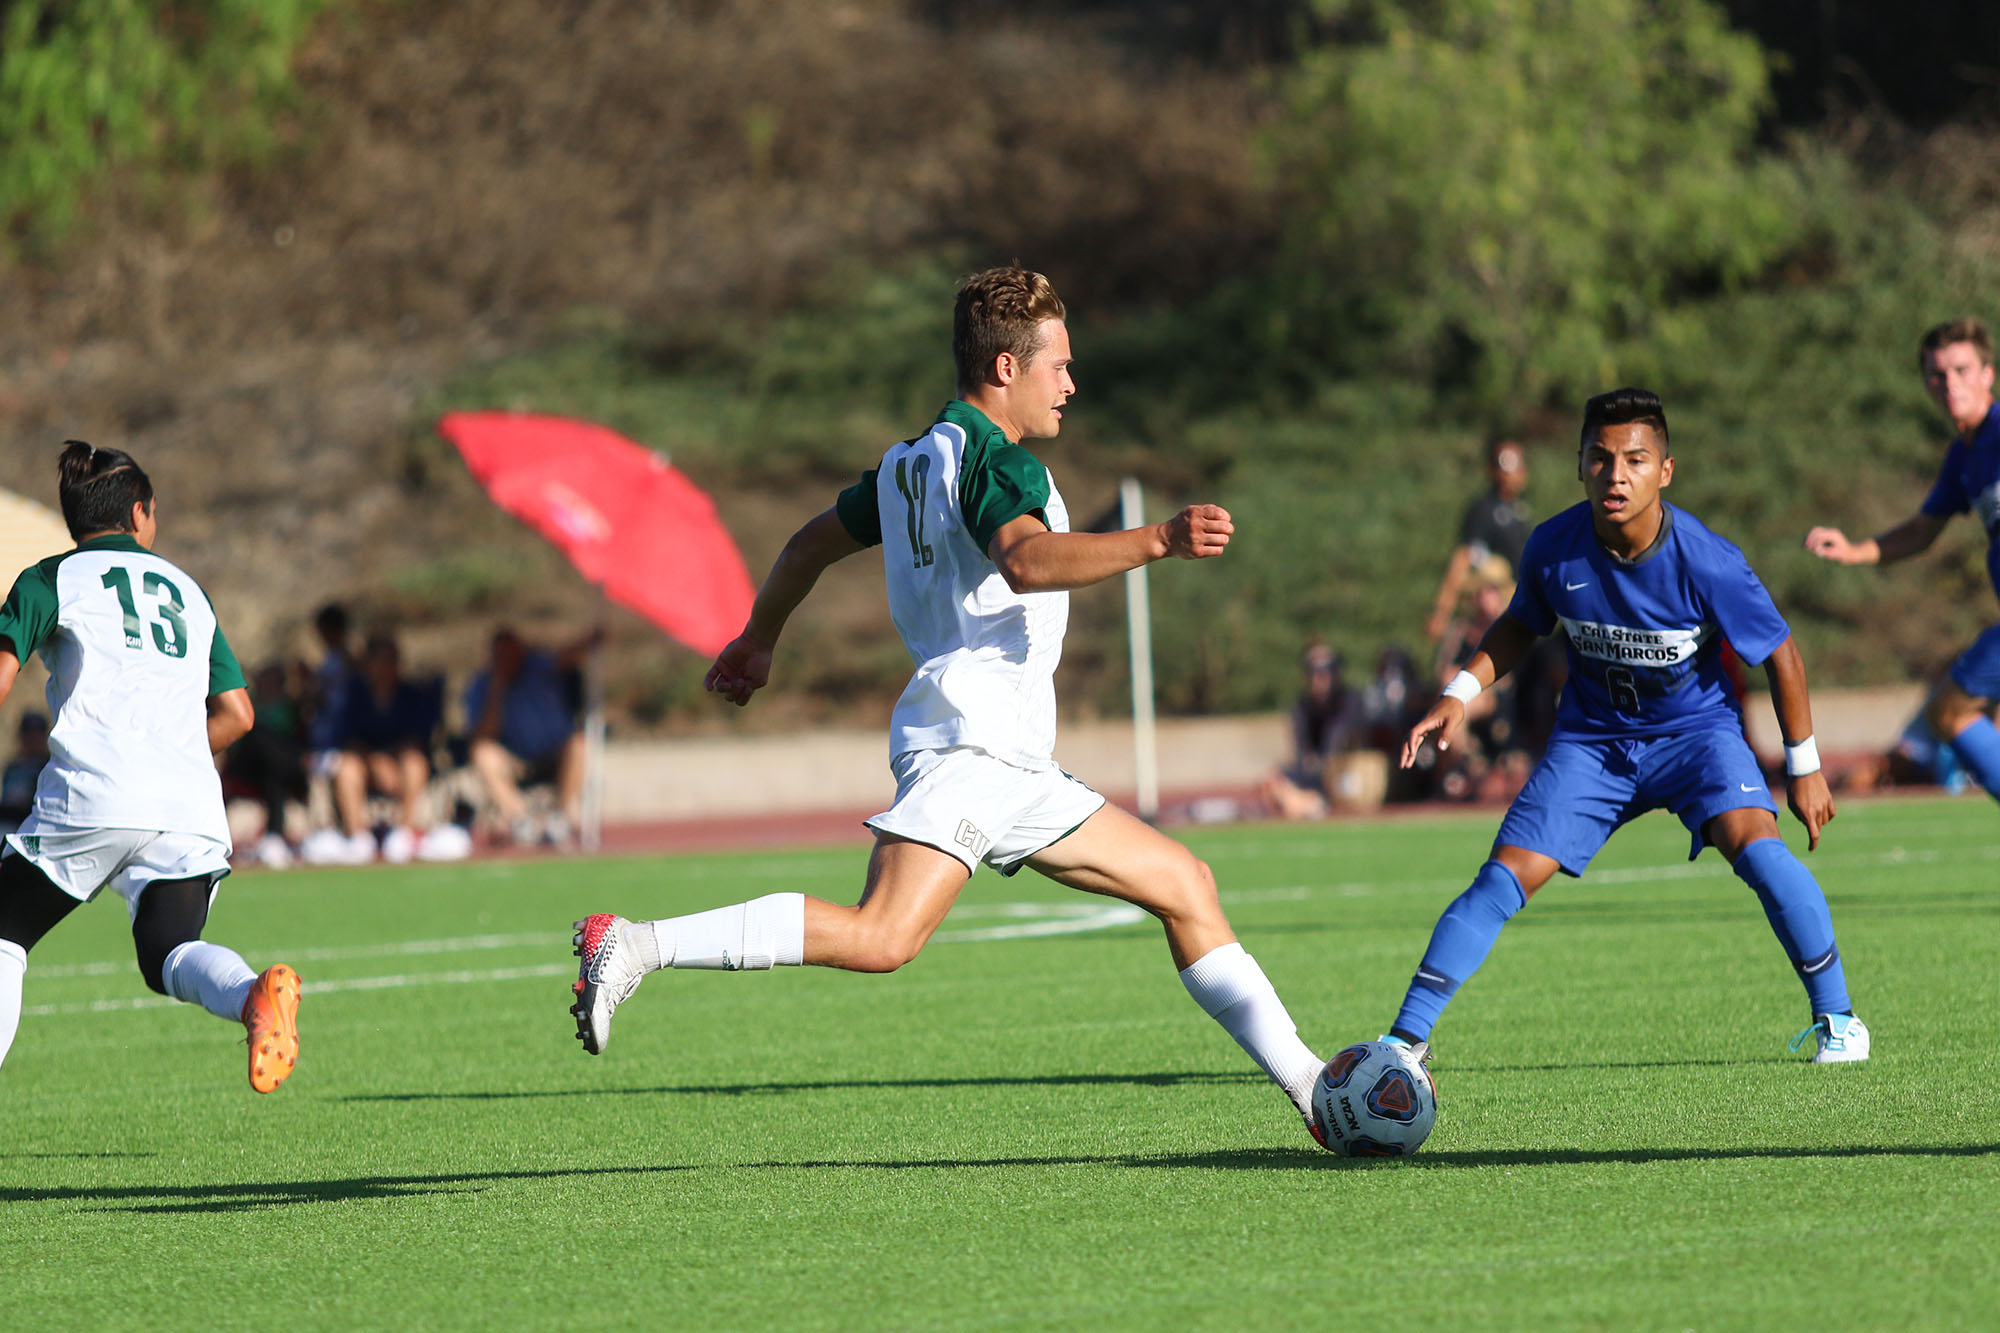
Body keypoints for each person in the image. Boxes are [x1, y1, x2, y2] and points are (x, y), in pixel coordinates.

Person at [570, 267, 1331, 1146]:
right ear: (1005, 368)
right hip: (973, 743)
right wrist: (1159, 538)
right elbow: (1028, 562)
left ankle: (1314, 1088)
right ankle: (631, 943)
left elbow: (808, 543)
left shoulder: (906, 464)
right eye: (1060, 366)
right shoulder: (995, 458)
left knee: (1184, 884)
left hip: (1009, 757)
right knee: (882, 936)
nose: (1072, 384)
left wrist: (758, 637)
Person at [1388, 389, 1868, 1065]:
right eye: (1600, 457)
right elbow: (1523, 622)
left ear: (1665, 470)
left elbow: (1782, 655)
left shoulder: (1709, 560)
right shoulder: (1554, 545)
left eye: (1636, 460)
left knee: (1759, 850)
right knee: (1501, 878)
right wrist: (1459, 692)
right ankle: (1402, 1042)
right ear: (1579, 465)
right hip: (1593, 744)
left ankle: (1840, 1021)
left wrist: (1806, 765)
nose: (1616, 474)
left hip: (1696, 737)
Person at [0, 441, 300, 1092]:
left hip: (94, 792)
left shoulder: (50, 578)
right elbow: (239, 713)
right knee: (169, 951)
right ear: (140, 514)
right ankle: (253, 994)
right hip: (188, 803)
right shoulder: (189, 591)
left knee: (4, 932)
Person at [1805, 317, 2000, 814]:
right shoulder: (1964, 457)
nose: (1949, 383)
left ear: (1988, 374)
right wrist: (1855, 550)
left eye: (1961, 369)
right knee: (1950, 712)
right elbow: (1921, 530)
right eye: (1938, 374)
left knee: (1952, 712)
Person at [319, 632, 470, 865]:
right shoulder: (354, 696)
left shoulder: (411, 695)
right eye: (382, 660)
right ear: (369, 664)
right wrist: (374, 762)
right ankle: (358, 837)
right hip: (364, 765)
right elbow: (347, 739)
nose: (388, 667)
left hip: (399, 765)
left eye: (392, 660)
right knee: (346, 767)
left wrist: (389, 761)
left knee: (414, 762)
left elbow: (417, 739)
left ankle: (403, 834)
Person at [463, 626, 591, 848]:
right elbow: (482, 735)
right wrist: (497, 690)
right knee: (482, 752)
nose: (508, 659)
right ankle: (521, 819)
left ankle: (560, 818)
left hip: (554, 754)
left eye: (512, 652)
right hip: (514, 758)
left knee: (579, 744)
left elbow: (570, 655)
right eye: (501, 655)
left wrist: (595, 637)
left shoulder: (541, 667)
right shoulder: (483, 684)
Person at [1425, 437, 1533, 643]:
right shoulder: (1483, 509)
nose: (1510, 474)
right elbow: (1462, 559)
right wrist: (1442, 611)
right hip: (1491, 611)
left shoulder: (1520, 510)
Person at [1261, 641, 1365, 819]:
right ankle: (1306, 804)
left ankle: (1309, 804)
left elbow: (1336, 751)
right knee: (1274, 781)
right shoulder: (1301, 708)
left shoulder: (1350, 702)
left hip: (1346, 775)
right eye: (1313, 673)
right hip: (1316, 775)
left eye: (1325, 673)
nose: (1319, 679)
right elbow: (1303, 756)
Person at [0, 713, 50, 836]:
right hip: (8, 822)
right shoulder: (13, 767)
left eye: (37, 735)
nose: (33, 739)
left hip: (33, 824)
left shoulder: (48, 767)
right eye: (29, 735)